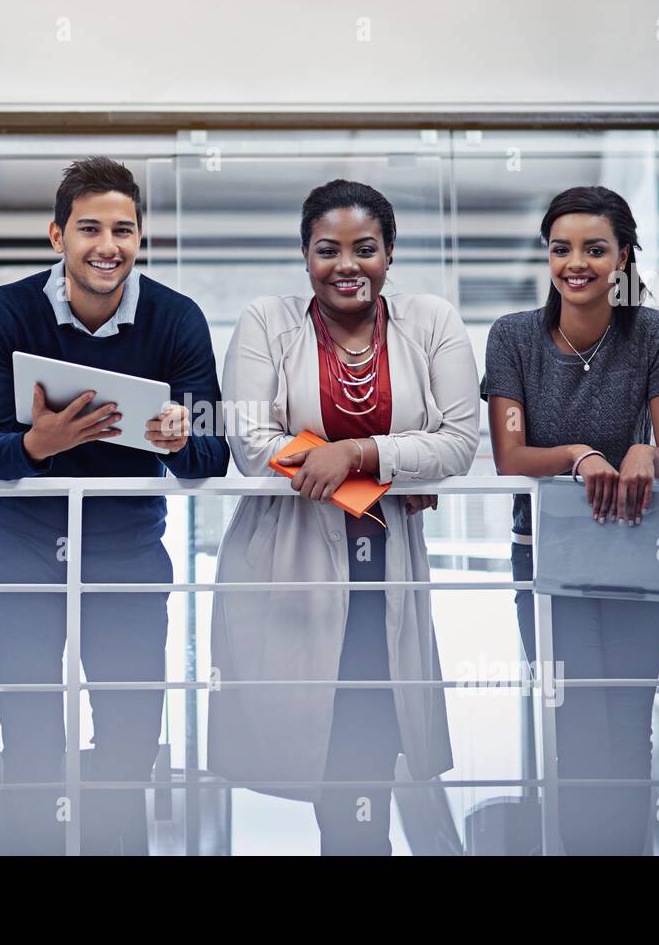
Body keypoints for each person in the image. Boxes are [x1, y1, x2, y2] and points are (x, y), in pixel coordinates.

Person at [0, 156, 229, 855]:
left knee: (130, 735)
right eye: (89, 229)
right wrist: (38, 444)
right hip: (23, 544)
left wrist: (176, 438)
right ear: (57, 236)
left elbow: (211, 455)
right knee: (29, 729)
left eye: (124, 230)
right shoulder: (5, 311)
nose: (108, 245)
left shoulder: (176, 319)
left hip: (128, 549)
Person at [209, 179, 480, 855]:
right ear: (305, 255)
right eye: (328, 249)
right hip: (286, 569)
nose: (346, 265)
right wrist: (384, 483)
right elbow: (250, 443)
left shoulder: (432, 321)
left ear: (390, 253)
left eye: (365, 248)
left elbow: (459, 444)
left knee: (372, 751)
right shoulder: (267, 322)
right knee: (314, 746)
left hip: (383, 577)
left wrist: (358, 451)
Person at [481, 185, 659, 855]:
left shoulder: (650, 331)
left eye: (595, 249)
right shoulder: (513, 337)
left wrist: (641, 452)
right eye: (561, 248)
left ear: (623, 256)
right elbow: (510, 456)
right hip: (546, 556)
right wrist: (578, 455)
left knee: (630, 724)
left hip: (636, 550)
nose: (577, 262)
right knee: (573, 725)